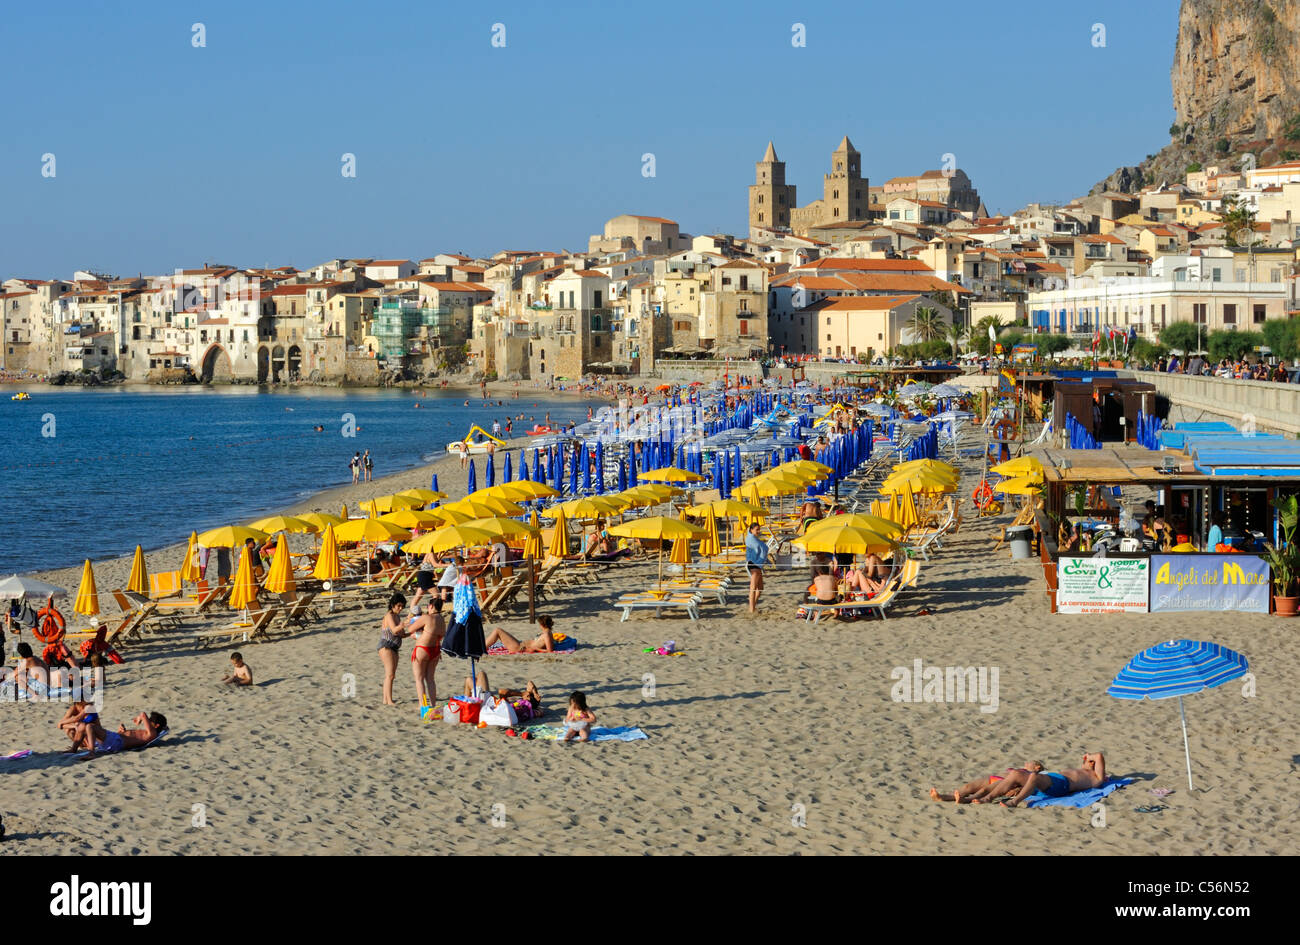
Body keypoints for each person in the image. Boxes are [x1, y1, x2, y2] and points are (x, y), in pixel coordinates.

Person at [999, 752, 1108, 808]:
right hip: (1054, 780)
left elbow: (1099, 756)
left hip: (1062, 785)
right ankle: (994, 793)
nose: (1091, 762)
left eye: (1092, 762)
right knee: (1018, 775)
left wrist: (1089, 756)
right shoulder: (1082, 770)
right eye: (1089, 761)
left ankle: (1014, 802)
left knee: (1034, 777)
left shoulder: (1096, 778)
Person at [929, 761, 1045, 804]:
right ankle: (943, 797)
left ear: (1037, 767)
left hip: (1005, 783)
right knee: (968, 786)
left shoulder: (1033, 776)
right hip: (996, 777)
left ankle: (966, 800)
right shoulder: (1023, 771)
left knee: (984, 790)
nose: (1025, 763)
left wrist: (1016, 790)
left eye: (1029, 763)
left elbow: (1027, 786)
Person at [377, 593, 415, 706]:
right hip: (386, 646)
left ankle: (386, 699)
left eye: (402, 606)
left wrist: (412, 633)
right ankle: (389, 700)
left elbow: (401, 634)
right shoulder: (389, 615)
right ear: (393, 604)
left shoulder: (397, 617)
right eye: (399, 605)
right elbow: (394, 630)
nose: (400, 608)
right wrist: (404, 624)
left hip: (394, 647)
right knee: (390, 675)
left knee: (391, 675)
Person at [79, 711, 167, 758]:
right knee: (83, 726)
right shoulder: (147, 733)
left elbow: (143, 714)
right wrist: (121, 732)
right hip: (116, 740)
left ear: (156, 725)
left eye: (150, 720)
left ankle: (91, 752)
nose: (148, 721)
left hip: (116, 741)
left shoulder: (152, 734)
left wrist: (139, 718)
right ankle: (75, 748)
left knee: (90, 726)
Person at [463, 670, 543, 721]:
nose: (526, 692)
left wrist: (522, 694)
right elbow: (530, 683)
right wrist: (535, 693)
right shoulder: (528, 708)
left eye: (528, 694)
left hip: (486, 705)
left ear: (528, 698)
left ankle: (465, 709)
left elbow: (502, 692)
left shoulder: (523, 705)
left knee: (481, 674)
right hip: (488, 704)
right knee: (469, 680)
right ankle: (466, 708)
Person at [410, 598, 445, 709]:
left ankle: (423, 705)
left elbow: (411, 628)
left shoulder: (427, 617)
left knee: (419, 679)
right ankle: (433, 704)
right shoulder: (441, 619)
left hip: (423, 648)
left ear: (430, 606)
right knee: (430, 679)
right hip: (435, 650)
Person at [484, 614, 557, 653]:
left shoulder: (547, 634)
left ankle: (482, 648)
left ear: (542, 624)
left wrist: (535, 649)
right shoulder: (547, 632)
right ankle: (483, 646)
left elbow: (550, 651)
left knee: (498, 630)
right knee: (500, 632)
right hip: (520, 644)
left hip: (518, 648)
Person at [744, 521, 769, 614]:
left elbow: (762, 548)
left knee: (760, 588)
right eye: (756, 529)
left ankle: (752, 605)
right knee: (753, 587)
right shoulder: (750, 538)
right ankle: (752, 609)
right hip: (753, 563)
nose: (758, 531)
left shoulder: (755, 538)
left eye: (759, 529)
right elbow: (759, 547)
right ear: (751, 530)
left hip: (758, 564)